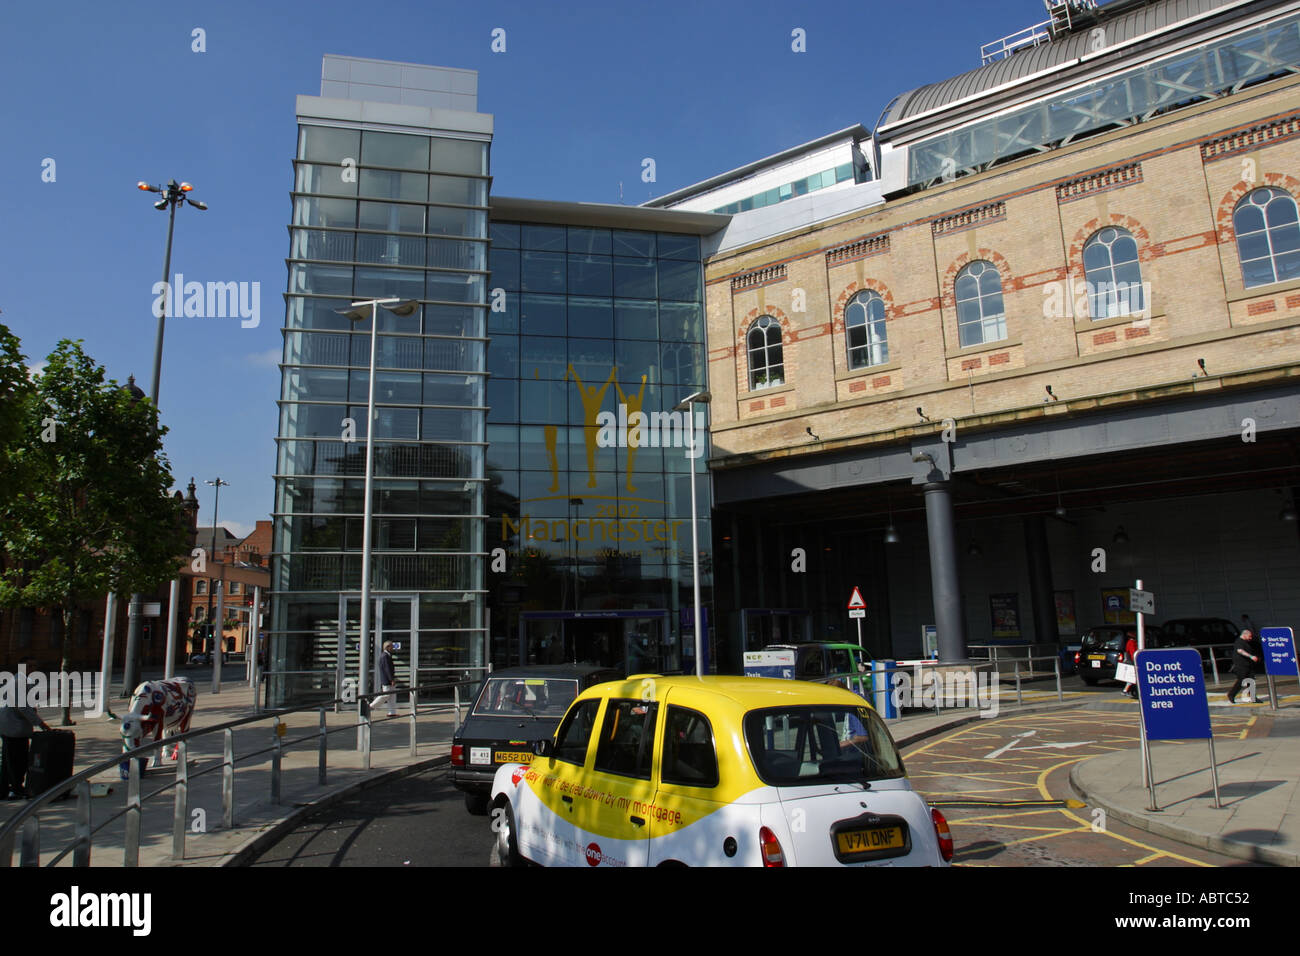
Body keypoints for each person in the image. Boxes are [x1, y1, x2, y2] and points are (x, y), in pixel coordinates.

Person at [1, 677, 52, 799]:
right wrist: (41, 724)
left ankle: (4, 789)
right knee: (17, 760)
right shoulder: (19, 682)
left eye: (34, 665)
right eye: (29, 666)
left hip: (11, 727)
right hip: (14, 728)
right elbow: (23, 708)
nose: (32, 668)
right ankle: (16, 789)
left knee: (9, 761)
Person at [1227, 628, 1260, 704]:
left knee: (1251, 680)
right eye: (1249, 636)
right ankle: (1231, 694)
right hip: (1241, 665)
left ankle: (1253, 697)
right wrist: (1251, 656)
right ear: (1245, 635)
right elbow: (1240, 651)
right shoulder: (1239, 642)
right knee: (1241, 680)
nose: (1250, 638)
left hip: (1248, 664)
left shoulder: (1246, 642)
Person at [372, 641, 399, 717]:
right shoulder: (385, 656)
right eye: (391, 646)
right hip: (387, 680)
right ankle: (371, 706)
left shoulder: (387, 655)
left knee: (392, 696)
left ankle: (392, 712)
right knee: (386, 695)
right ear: (387, 647)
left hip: (389, 679)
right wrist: (391, 679)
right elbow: (387, 669)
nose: (393, 648)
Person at [1121, 631, 1139, 699]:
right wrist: (1136, 661)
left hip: (1130, 661)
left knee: (1131, 677)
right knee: (1132, 677)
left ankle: (1126, 690)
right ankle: (1125, 690)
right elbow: (1133, 653)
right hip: (1131, 662)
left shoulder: (1130, 642)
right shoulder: (1131, 643)